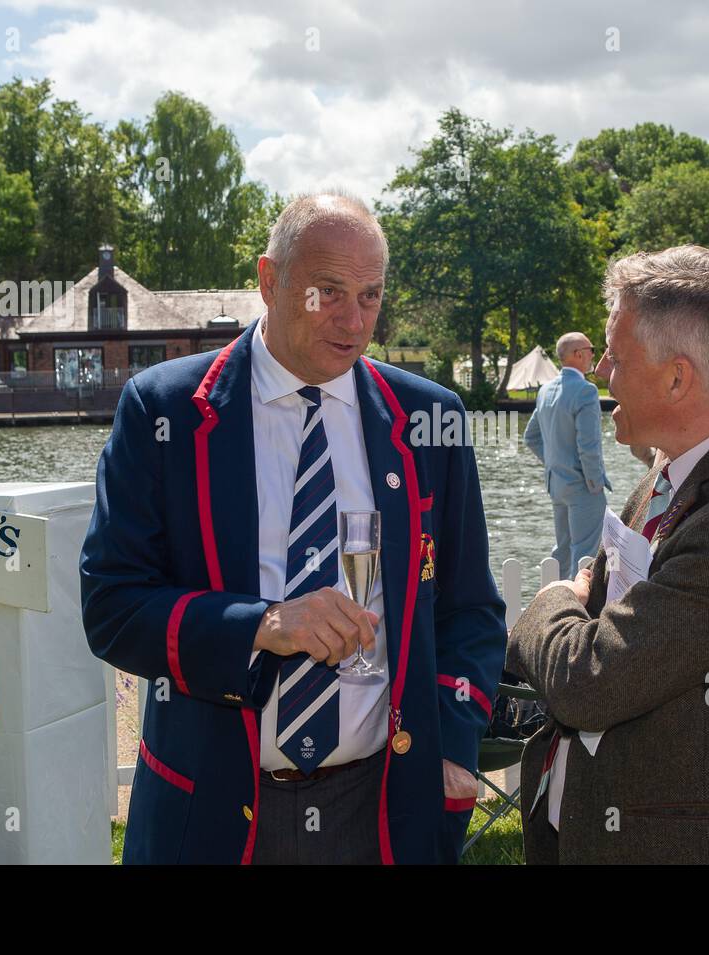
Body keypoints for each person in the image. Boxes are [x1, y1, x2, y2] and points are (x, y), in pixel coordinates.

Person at [80, 191, 506, 864]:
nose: (353, 319)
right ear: (269, 281)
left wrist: (454, 744)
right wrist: (261, 624)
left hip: (385, 810)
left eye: (370, 296)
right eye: (328, 291)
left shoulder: (431, 418)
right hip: (217, 809)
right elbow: (111, 605)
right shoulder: (165, 410)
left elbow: (471, 609)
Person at [506, 245, 709, 864]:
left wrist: (549, 603)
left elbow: (591, 679)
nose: (602, 370)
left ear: (678, 377)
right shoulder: (678, 471)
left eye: (617, 355)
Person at [523, 331, 612, 578]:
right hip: (582, 484)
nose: (594, 354)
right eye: (591, 349)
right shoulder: (586, 391)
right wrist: (594, 483)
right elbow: (588, 445)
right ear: (578, 354)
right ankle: (579, 611)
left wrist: (555, 464)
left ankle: (552, 605)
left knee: (562, 551)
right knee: (586, 554)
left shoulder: (545, 391)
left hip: (556, 483)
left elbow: (530, 438)